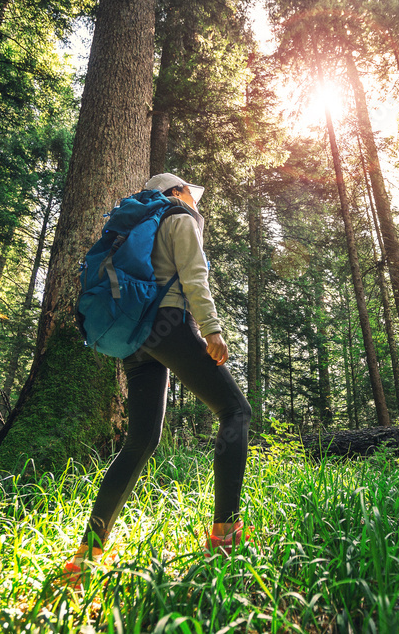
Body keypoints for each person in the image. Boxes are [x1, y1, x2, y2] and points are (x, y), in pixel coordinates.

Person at [61, 173, 252, 587]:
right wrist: (211, 328)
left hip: (136, 336)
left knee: (141, 440)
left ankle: (87, 554)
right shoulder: (179, 216)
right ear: (176, 192)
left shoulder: (139, 223)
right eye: (191, 194)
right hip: (166, 322)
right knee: (235, 411)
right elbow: (193, 275)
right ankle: (226, 535)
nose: (195, 202)